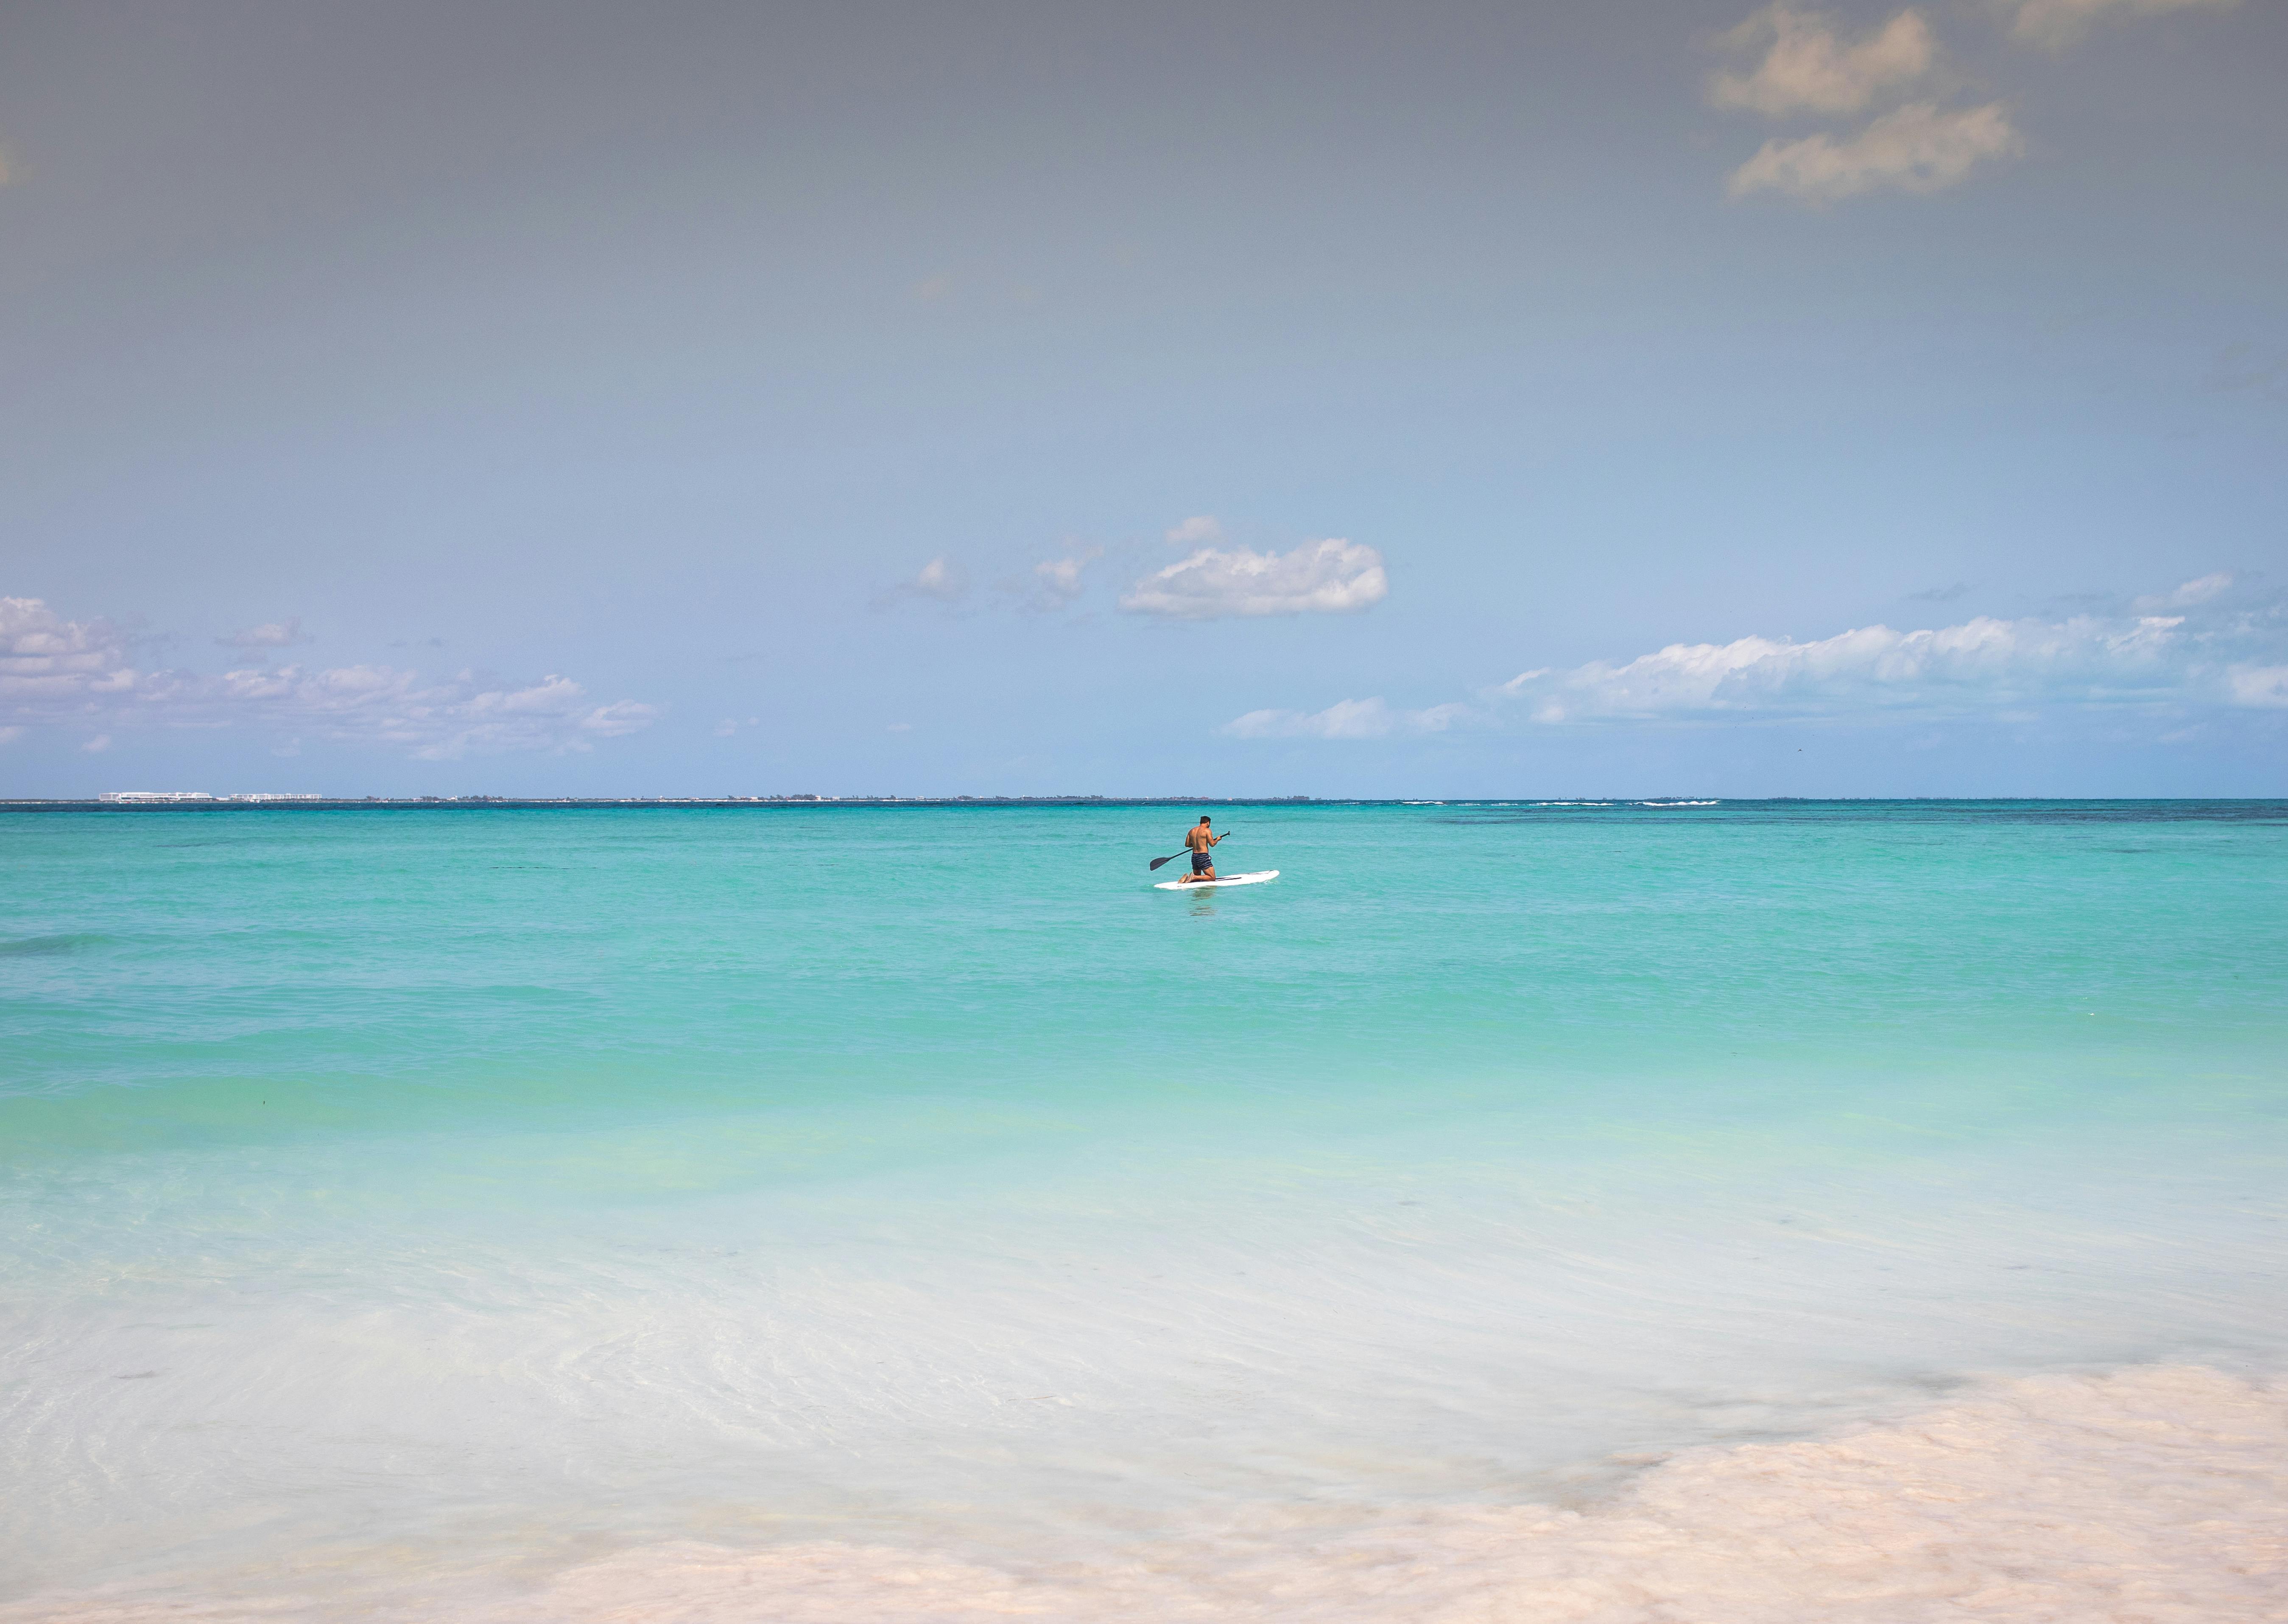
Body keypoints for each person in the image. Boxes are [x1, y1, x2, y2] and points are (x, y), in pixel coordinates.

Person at [1182, 816, 1223, 883]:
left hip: (1194, 857)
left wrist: (1197, 844)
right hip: (1203, 857)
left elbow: (1187, 845)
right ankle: (1193, 877)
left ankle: (1188, 878)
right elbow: (1212, 844)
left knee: (1197, 881)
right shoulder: (1207, 831)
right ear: (1208, 823)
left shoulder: (1192, 831)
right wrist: (1218, 840)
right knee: (1212, 878)